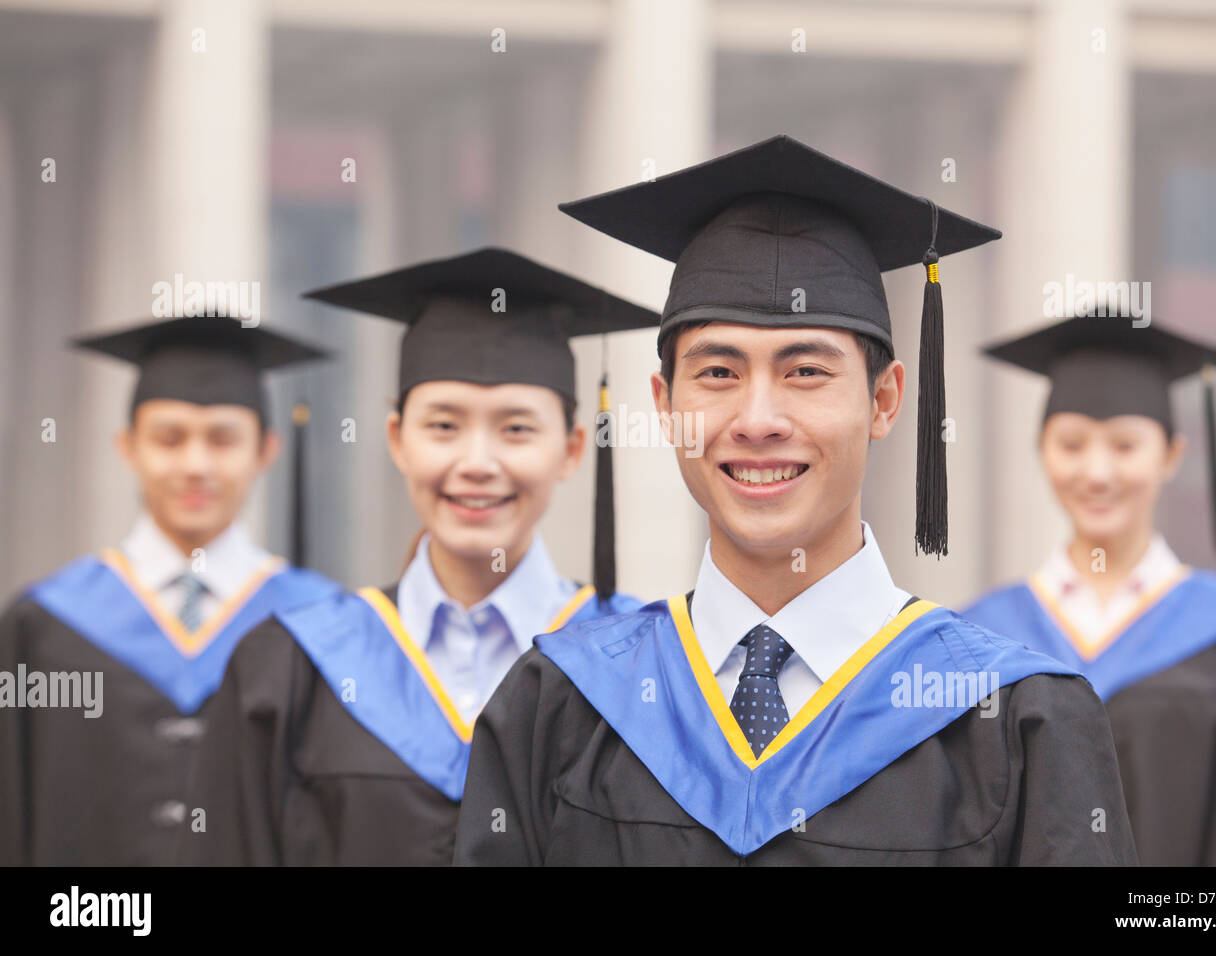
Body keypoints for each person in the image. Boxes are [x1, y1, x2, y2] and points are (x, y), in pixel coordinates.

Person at [454, 135, 1138, 865]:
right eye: (717, 372)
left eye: (805, 370)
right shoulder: (560, 704)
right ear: (664, 404)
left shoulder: (1013, 718)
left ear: (884, 400)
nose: (757, 420)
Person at [188, 247, 658, 865]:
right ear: (396, 439)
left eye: (517, 428)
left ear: (572, 448)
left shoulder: (644, 664)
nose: (477, 463)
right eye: (443, 426)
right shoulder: (291, 666)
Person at [962, 311, 1216, 865]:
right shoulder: (978, 637)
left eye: (1124, 446)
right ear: (1041, 452)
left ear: (1171, 456)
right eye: (1071, 444)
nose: (1097, 472)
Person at [0, 314, 334, 865]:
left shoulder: (323, 625)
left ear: (266, 451)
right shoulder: (42, 629)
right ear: (128, 446)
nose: (195, 465)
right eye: (169, 438)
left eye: (223, 439)